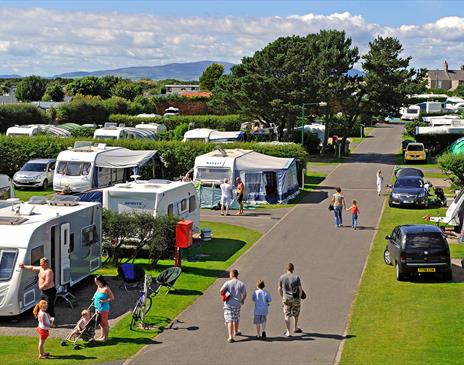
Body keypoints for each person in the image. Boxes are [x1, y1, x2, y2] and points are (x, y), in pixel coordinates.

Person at [19, 257, 57, 321]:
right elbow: (32, 268)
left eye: (41, 263)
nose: (40, 264)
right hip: (43, 291)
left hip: (50, 291)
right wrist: (24, 266)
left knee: (49, 307)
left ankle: (52, 321)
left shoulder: (49, 271)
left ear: (46, 263)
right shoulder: (41, 268)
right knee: (41, 305)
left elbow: (47, 282)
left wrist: (41, 287)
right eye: (40, 263)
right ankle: (43, 319)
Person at [219, 269, 247, 343]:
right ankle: (236, 331)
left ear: (232, 275)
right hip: (237, 304)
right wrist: (242, 300)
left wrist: (224, 294)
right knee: (236, 317)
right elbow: (244, 294)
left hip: (229, 304)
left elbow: (221, 290)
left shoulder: (227, 283)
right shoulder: (241, 284)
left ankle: (230, 337)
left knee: (229, 320)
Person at [278, 263, 303, 337]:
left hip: (286, 298)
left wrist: (282, 296)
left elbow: (279, 288)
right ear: (293, 269)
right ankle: (295, 328)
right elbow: (300, 289)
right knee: (296, 314)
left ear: (286, 269)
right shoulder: (296, 277)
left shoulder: (282, 277)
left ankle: (288, 332)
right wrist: (299, 297)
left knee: (287, 315)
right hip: (295, 298)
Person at [93, 275, 114, 342]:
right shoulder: (98, 286)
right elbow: (96, 293)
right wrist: (94, 297)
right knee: (100, 323)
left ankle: (106, 337)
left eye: (96, 281)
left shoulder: (106, 288)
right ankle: (102, 336)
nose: (95, 282)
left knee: (105, 323)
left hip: (104, 308)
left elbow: (112, 297)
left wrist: (104, 301)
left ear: (100, 281)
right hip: (97, 307)